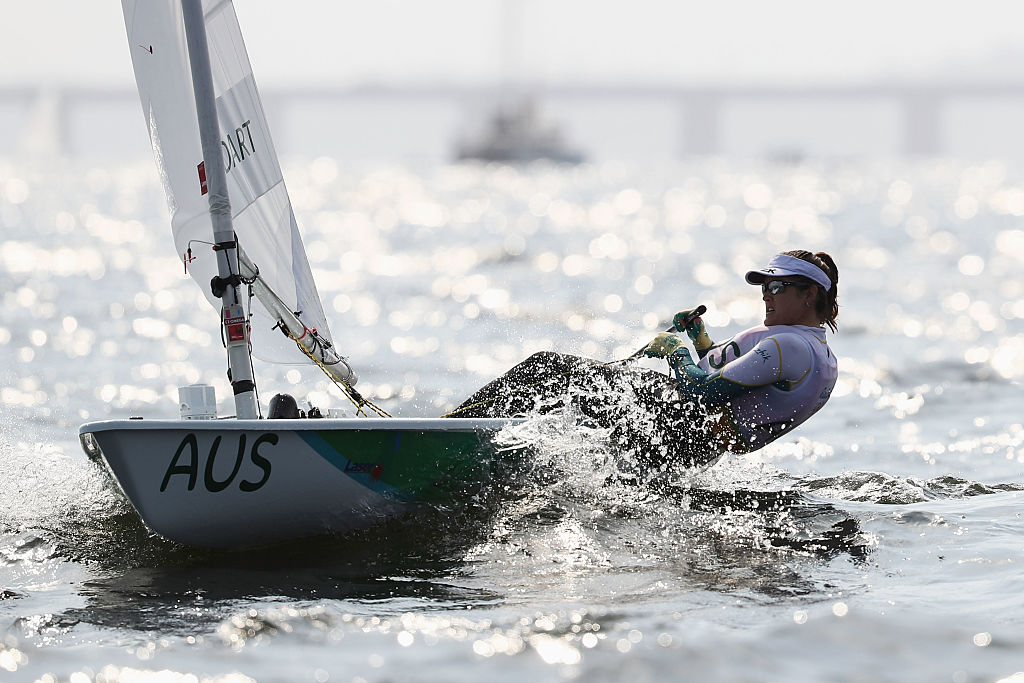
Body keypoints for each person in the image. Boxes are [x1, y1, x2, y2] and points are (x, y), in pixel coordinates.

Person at [447, 250, 840, 472]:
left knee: (545, 368)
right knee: (563, 405)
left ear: (809, 295)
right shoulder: (814, 352)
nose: (766, 294)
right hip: (689, 446)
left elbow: (700, 394)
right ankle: (478, 456)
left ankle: (447, 434)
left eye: (776, 286)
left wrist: (676, 352)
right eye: (764, 287)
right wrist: (698, 338)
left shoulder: (790, 348)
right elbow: (728, 376)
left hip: (677, 427)